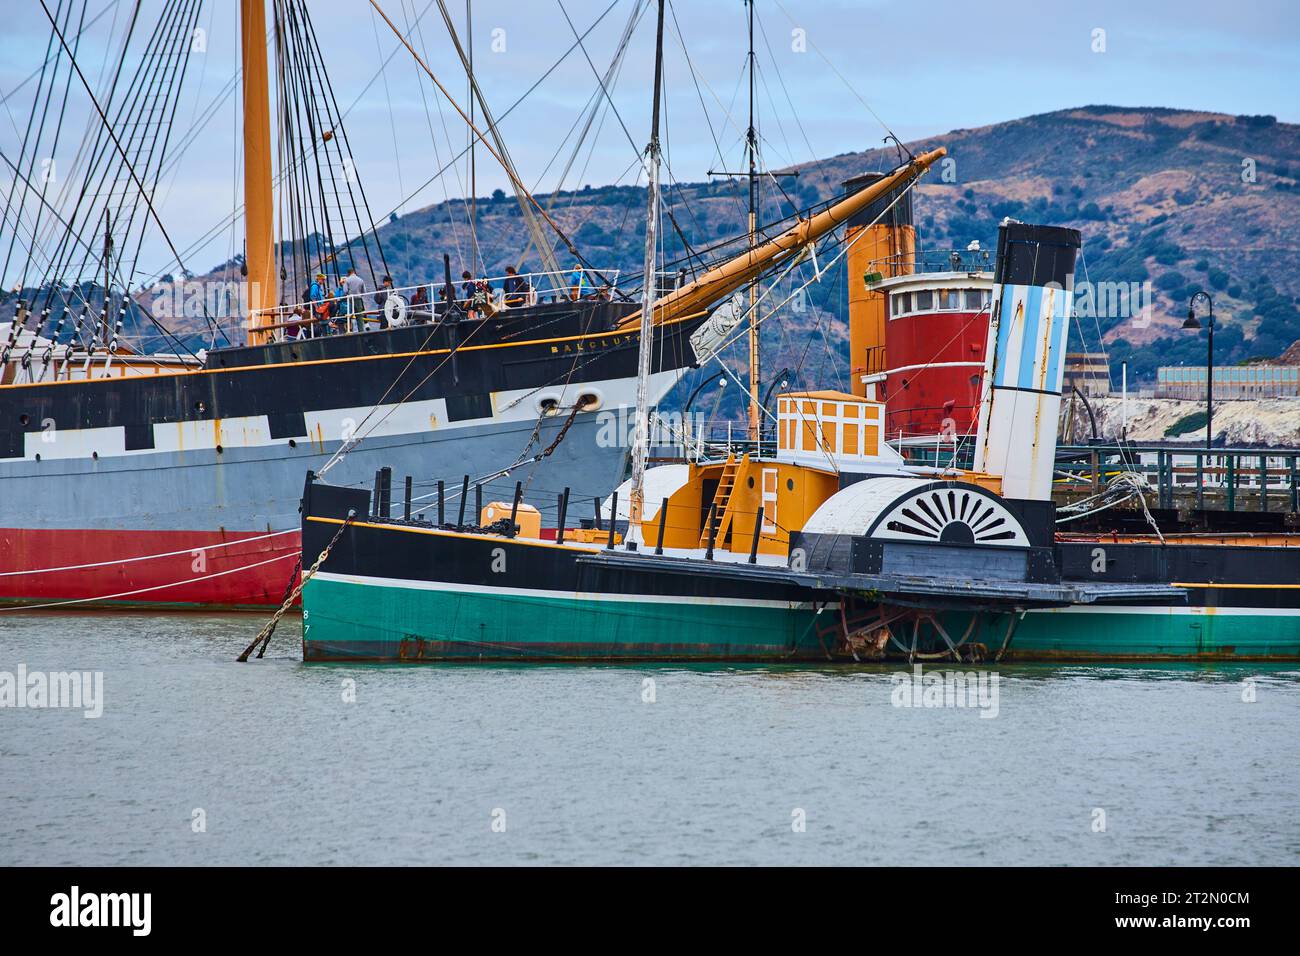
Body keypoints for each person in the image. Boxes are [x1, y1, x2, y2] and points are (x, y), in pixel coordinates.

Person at [343, 266, 366, 332]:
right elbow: (364, 291)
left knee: (348, 315)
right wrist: (360, 295)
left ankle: (349, 330)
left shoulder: (347, 280)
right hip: (358, 299)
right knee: (359, 316)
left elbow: (345, 291)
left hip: (350, 300)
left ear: (348, 273)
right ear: (354, 272)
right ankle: (361, 330)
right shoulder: (360, 280)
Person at [308, 272, 328, 338]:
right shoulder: (315, 286)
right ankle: (321, 336)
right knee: (320, 322)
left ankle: (324, 335)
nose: (323, 281)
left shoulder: (318, 287)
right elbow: (313, 297)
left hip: (320, 308)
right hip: (318, 308)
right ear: (319, 279)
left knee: (323, 321)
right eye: (322, 280)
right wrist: (317, 308)